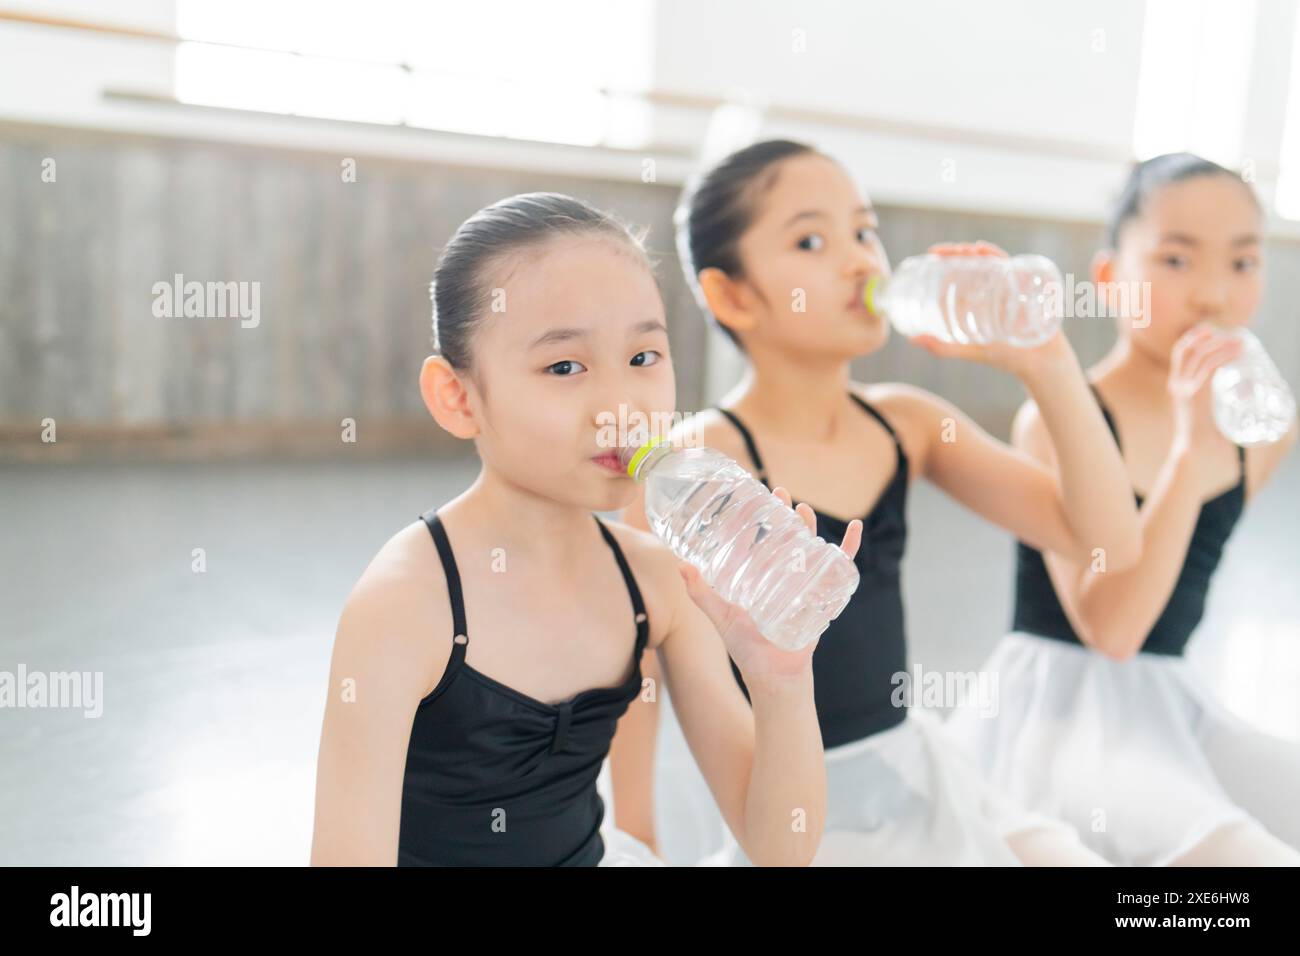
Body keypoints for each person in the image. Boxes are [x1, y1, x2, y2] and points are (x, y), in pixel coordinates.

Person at [611, 140, 1141, 865]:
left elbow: (1109, 540)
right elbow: (633, 693)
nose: (860, 260)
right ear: (734, 294)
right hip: (797, 815)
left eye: (865, 232)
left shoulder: (908, 425)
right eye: (811, 240)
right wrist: (638, 843)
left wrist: (1044, 361)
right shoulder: (697, 470)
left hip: (919, 778)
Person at [311, 192, 856, 866]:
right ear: (458, 397)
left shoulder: (654, 580)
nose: (621, 406)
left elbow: (781, 846)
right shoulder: (405, 602)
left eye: (644, 357)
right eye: (565, 367)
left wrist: (781, 680)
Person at [945, 153, 1300, 866]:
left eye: (1242, 263)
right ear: (1110, 281)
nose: (1213, 295)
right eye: (1176, 261)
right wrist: (1188, 460)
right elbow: (1112, 628)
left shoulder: (1264, 426)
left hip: (1168, 705)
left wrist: (1206, 444)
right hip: (1056, 710)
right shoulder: (1062, 419)